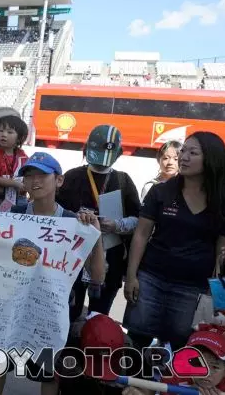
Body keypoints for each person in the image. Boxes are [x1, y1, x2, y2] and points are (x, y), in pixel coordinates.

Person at [7, 152, 106, 395]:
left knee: (48, 372)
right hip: (12, 306)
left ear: (59, 181)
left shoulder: (73, 222)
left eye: (42, 175)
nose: (34, 181)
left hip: (52, 311)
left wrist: (96, 234)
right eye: (28, 176)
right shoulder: (14, 215)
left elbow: (98, 277)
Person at [124, 131, 225, 350]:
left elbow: (223, 247)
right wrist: (132, 275)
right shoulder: (161, 191)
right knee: (137, 339)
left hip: (193, 287)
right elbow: (142, 234)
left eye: (193, 152)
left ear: (211, 158)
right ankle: (134, 385)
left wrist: (217, 292)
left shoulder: (223, 199)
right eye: (183, 151)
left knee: (180, 346)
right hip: (151, 278)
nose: (183, 157)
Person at [58, 125, 140, 321]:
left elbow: (140, 220)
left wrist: (117, 225)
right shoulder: (72, 176)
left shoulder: (123, 181)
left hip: (110, 257)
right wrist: (75, 217)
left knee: (98, 316)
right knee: (67, 313)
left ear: (119, 153)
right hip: (74, 255)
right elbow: (57, 212)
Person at [0, 113, 30, 211]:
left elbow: (28, 176)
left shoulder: (23, 156)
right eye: (1, 130)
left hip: (21, 198)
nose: (3, 134)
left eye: (10, 132)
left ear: (20, 138)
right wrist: (15, 184)